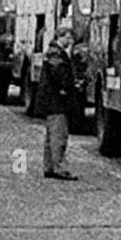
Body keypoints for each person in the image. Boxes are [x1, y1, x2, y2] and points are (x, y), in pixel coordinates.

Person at [36, 26, 79, 180]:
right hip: (57, 101)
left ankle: (49, 167)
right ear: (60, 37)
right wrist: (69, 86)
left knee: (50, 136)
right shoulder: (56, 54)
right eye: (68, 37)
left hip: (50, 101)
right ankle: (60, 169)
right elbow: (60, 75)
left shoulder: (52, 52)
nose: (71, 41)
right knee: (59, 137)